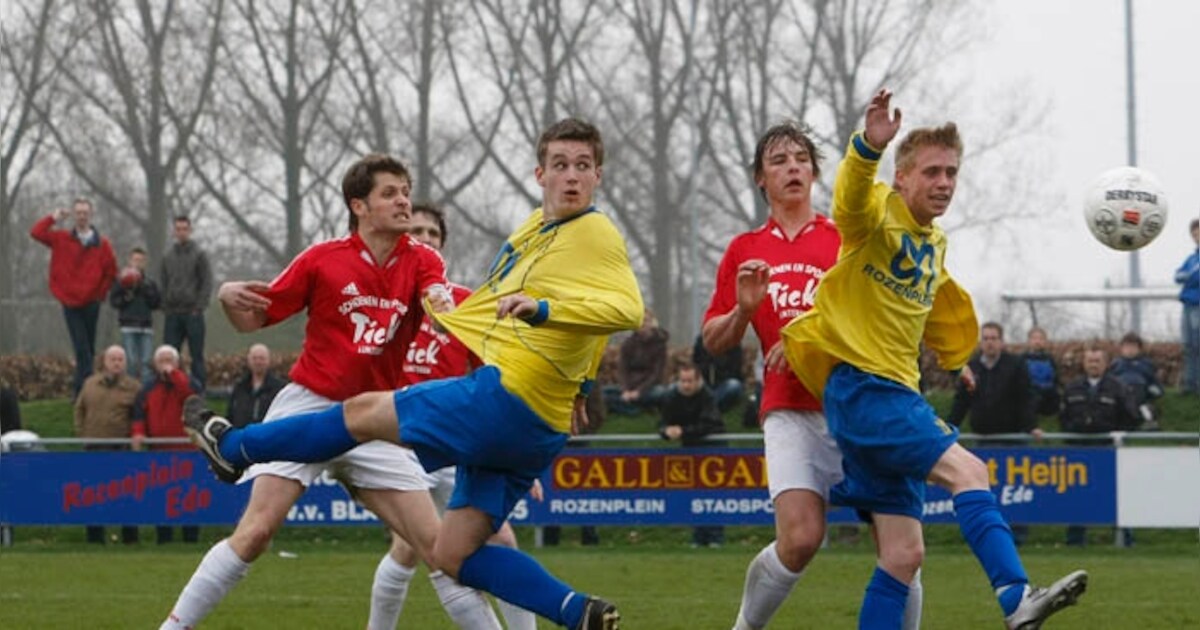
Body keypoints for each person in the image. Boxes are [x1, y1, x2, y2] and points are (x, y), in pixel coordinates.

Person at [184, 118, 638, 630]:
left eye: (582, 166)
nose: (571, 176)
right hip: (342, 405)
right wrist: (225, 296)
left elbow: (622, 309)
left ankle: (234, 446)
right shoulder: (534, 231)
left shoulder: (584, 234)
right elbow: (255, 316)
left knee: (369, 431)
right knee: (449, 554)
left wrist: (536, 310)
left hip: (472, 404)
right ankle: (576, 611)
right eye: (561, 164)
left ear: (598, 175)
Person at [779, 90, 1086, 629]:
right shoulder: (876, 216)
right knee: (970, 471)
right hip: (868, 392)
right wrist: (868, 147)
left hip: (889, 395)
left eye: (951, 173)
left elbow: (939, 306)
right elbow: (849, 201)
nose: (944, 183)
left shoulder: (933, 241)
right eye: (932, 172)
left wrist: (956, 357)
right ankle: (1016, 597)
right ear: (901, 178)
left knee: (903, 555)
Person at [160, 154, 500, 630]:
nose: (404, 200)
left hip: (376, 416)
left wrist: (446, 309)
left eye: (405, 191)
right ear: (358, 205)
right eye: (390, 193)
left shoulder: (423, 259)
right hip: (310, 405)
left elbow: (437, 298)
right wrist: (227, 297)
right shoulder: (323, 260)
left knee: (440, 552)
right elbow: (253, 319)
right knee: (255, 533)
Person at [703, 120, 923, 630]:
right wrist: (742, 311)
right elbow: (714, 340)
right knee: (801, 539)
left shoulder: (845, 238)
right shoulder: (744, 250)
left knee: (900, 548)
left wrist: (810, 339)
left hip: (858, 407)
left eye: (802, 159)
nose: (793, 168)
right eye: (779, 161)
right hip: (789, 412)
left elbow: (880, 316)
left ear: (815, 173)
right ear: (761, 178)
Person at [370, 202, 538, 630]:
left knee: (500, 538)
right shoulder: (381, 300)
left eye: (433, 233)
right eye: (417, 231)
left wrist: (514, 453)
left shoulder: (464, 303)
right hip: (400, 439)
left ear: (441, 246)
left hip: (451, 440)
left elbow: (492, 380)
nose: (425, 238)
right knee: (413, 547)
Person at [947, 322, 1040, 545]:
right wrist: (949, 427)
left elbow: (1026, 397)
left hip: (1012, 439)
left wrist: (1030, 426)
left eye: (994, 338)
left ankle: (1018, 536)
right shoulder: (972, 367)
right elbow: (962, 401)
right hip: (983, 440)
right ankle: (985, 533)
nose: (990, 343)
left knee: (1016, 491)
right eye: (986, 338)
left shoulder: (1016, 365)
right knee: (983, 491)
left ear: (1001, 341)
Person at [30, 198, 118, 396]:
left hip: (92, 301)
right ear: (73, 215)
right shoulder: (62, 238)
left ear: (91, 214)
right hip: (70, 301)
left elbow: (110, 271)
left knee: (88, 347)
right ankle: (84, 390)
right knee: (81, 346)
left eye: (85, 212)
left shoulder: (102, 244)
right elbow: (36, 232)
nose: (82, 216)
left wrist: (100, 293)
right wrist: (54, 217)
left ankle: (82, 389)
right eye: (78, 212)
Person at [1060, 347, 1139, 546]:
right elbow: (1063, 418)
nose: (1093, 365)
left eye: (1097, 361)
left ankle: (1125, 539)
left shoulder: (1118, 387)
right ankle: (1075, 540)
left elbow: (1131, 417)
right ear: (1084, 363)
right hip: (1080, 451)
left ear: (1105, 363)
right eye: (1090, 361)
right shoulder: (1072, 387)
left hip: (1108, 452)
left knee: (1115, 496)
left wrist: (1112, 432)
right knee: (1078, 497)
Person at [75, 345, 142, 544]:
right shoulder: (90, 384)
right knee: (92, 496)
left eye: (120, 359)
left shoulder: (134, 387)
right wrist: (83, 434)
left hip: (121, 450)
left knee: (126, 496)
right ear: (104, 361)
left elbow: (138, 416)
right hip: (94, 449)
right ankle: (95, 538)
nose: (116, 363)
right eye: (113, 359)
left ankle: (130, 539)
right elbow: (79, 410)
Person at [134, 344, 200, 544]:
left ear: (177, 363)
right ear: (155, 364)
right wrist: (138, 433)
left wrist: (174, 375)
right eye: (161, 361)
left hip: (186, 451)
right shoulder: (147, 388)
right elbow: (139, 414)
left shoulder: (189, 382)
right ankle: (164, 538)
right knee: (161, 497)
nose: (165, 365)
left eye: (169, 360)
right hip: (159, 452)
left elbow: (189, 397)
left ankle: (190, 538)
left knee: (189, 497)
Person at [658, 363, 727, 548]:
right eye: (683, 381)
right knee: (694, 493)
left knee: (713, 495)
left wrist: (683, 431)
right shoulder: (672, 396)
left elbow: (710, 425)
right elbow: (662, 423)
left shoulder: (707, 397)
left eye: (690, 381)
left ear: (698, 381)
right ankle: (698, 537)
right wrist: (666, 431)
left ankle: (715, 536)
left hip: (713, 449)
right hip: (690, 449)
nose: (686, 385)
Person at [161, 215, 214, 391]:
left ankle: (199, 392)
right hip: (173, 313)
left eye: (184, 229)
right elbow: (164, 281)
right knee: (170, 355)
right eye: (178, 229)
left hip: (193, 312)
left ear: (190, 231)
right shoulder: (168, 256)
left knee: (196, 356)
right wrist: (166, 306)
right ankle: (171, 390)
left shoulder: (199, 254)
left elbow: (206, 282)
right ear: (174, 231)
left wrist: (199, 307)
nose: (181, 232)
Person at [109, 246, 162, 383]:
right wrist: (126, 297)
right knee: (131, 361)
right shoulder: (121, 281)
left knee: (146, 362)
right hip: (128, 325)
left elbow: (157, 303)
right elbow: (114, 301)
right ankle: (130, 389)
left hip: (146, 326)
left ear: (145, 263)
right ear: (130, 261)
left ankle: (146, 390)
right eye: (135, 260)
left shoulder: (149, 283)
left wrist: (146, 292)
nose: (138, 263)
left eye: (141, 260)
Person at [603, 308, 669, 415]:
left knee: (662, 394)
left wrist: (639, 391)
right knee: (603, 393)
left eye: (646, 320)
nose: (643, 324)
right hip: (629, 387)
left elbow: (656, 373)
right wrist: (626, 390)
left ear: (652, 322)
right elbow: (622, 369)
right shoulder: (628, 344)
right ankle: (635, 408)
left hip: (650, 388)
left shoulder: (660, 344)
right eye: (640, 320)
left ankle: (627, 406)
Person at [1107, 332, 1165, 431]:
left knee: (1141, 403)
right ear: (1121, 348)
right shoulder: (1116, 364)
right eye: (1127, 347)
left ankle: (1148, 420)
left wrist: (1157, 390)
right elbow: (1109, 379)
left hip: (1140, 390)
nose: (1130, 350)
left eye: (1133, 347)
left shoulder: (1146, 364)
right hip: (1121, 391)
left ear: (1139, 349)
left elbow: (1153, 380)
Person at [225, 343, 286, 428]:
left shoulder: (279, 388)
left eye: (262, 358)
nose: (258, 362)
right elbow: (230, 416)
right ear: (248, 361)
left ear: (269, 361)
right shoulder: (239, 387)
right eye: (254, 358)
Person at [1175, 218, 1200, 395]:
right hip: (1188, 304)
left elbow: (1192, 276)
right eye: (1194, 234)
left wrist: (1188, 277)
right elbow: (1178, 276)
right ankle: (1190, 384)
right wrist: (1190, 277)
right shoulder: (1192, 258)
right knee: (1188, 345)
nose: (1197, 237)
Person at [691, 333, 744, 412]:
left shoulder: (733, 341)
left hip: (724, 384)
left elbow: (735, 369)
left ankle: (706, 406)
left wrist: (718, 364)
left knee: (734, 385)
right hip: (705, 384)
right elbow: (696, 365)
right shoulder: (701, 341)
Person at [1022, 327, 1062, 418]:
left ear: (1045, 342)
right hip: (1030, 399)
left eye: (1041, 339)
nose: (1037, 341)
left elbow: (1056, 379)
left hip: (1048, 398)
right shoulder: (1022, 359)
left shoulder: (1050, 359)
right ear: (1029, 341)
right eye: (1034, 338)